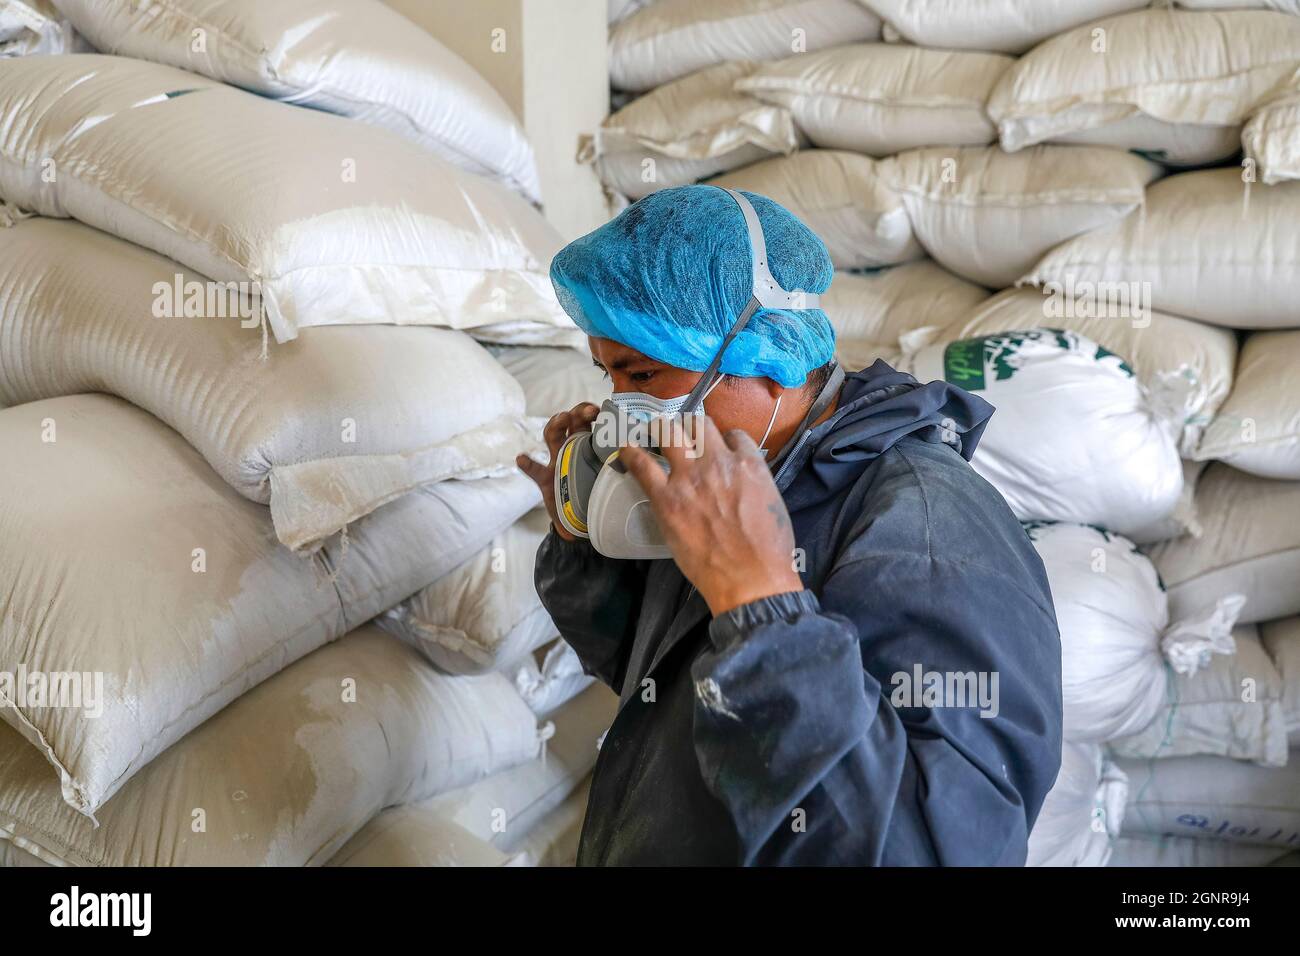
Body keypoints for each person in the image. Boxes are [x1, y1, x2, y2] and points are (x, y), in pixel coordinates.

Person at [514, 185, 1062, 866]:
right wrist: (587, 542)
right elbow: (657, 679)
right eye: (609, 377)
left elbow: (930, 848)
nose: (622, 406)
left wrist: (761, 604)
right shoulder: (739, 479)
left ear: (766, 358)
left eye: (646, 374)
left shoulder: (925, 530)